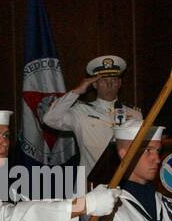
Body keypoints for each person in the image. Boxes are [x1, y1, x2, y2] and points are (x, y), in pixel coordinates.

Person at [44, 55, 141, 183]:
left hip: (126, 186)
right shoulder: (81, 113)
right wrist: (76, 91)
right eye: (103, 80)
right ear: (94, 84)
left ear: (119, 83)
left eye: (114, 79)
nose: (109, 84)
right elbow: (50, 118)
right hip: (91, 187)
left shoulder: (135, 114)